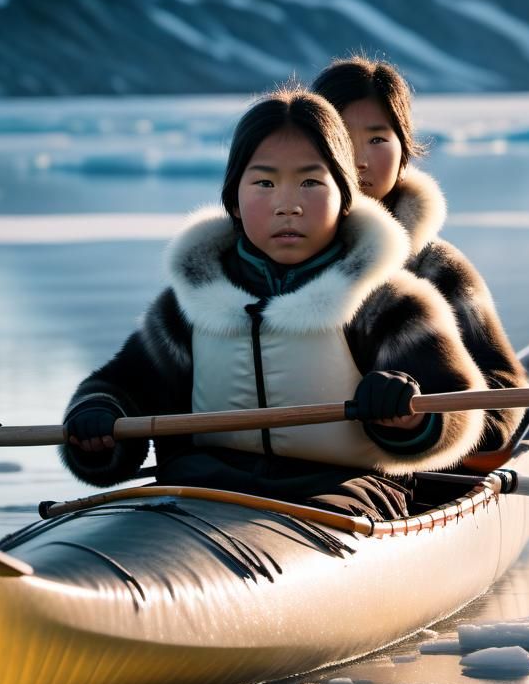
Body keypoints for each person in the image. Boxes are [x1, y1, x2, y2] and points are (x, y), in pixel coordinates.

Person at [61, 88, 490, 520]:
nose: (288, 206)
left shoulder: (389, 302)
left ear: (344, 197)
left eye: (311, 182)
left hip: (344, 498)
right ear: (233, 199)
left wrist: (411, 416)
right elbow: (120, 387)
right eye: (264, 183)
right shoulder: (188, 305)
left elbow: (457, 408)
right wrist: (97, 419)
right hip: (196, 496)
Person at [311, 57, 527, 456]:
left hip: (398, 486)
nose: (359, 159)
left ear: (405, 151)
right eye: (341, 137)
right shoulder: (268, 264)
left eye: (378, 139)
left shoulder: (437, 269)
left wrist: (419, 419)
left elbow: (502, 402)